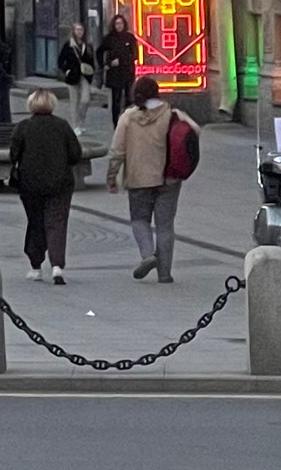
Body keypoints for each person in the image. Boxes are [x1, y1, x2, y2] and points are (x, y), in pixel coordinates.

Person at [105, 74, 186, 283]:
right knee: (165, 226)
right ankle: (165, 274)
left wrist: (112, 176)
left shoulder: (127, 118)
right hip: (168, 178)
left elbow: (117, 150)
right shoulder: (172, 114)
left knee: (140, 219)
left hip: (138, 178)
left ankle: (148, 255)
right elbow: (192, 135)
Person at [8, 87, 82, 285]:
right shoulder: (62, 126)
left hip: (30, 183)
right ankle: (57, 266)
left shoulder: (23, 127)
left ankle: (36, 266)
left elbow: (13, 154)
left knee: (36, 222)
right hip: (60, 183)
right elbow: (76, 154)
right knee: (57, 223)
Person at [98, 14, 139, 123]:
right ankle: (116, 122)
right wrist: (105, 64)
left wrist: (122, 61)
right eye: (117, 23)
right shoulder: (110, 38)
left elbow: (135, 55)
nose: (119, 26)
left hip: (127, 72)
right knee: (116, 98)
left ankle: (128, 121)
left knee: (128, 98)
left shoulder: (130, 37)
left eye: (121, 23)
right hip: (115, 73)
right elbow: (99, 51)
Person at [55, 23, 92, 129]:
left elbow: (91, 60)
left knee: (86, 99)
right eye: (77, 30)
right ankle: (75, 126)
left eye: (81, 30)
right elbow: (60, 60)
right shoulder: (68, 45)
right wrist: (66, 71)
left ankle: (81, 119)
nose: (79, 32)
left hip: (85, 75)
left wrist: (91, 72)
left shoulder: (87, 45)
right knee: (74, 101)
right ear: (73, 31)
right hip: (72, 76)